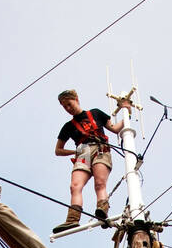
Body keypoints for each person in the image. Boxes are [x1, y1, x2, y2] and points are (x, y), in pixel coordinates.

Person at [52, 90, 127, 234]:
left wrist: (127, 113)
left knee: (99, 183)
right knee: (75, 186)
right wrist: (75, 152)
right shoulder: (68, 126)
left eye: (69, 104)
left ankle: (102, 210)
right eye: (64, 107)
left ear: (76, 99)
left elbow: (115, 129)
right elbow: (58, 150)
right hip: (83, 151)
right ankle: (72, 219)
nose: (68, 108)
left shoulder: (96, 113)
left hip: (100, 149)